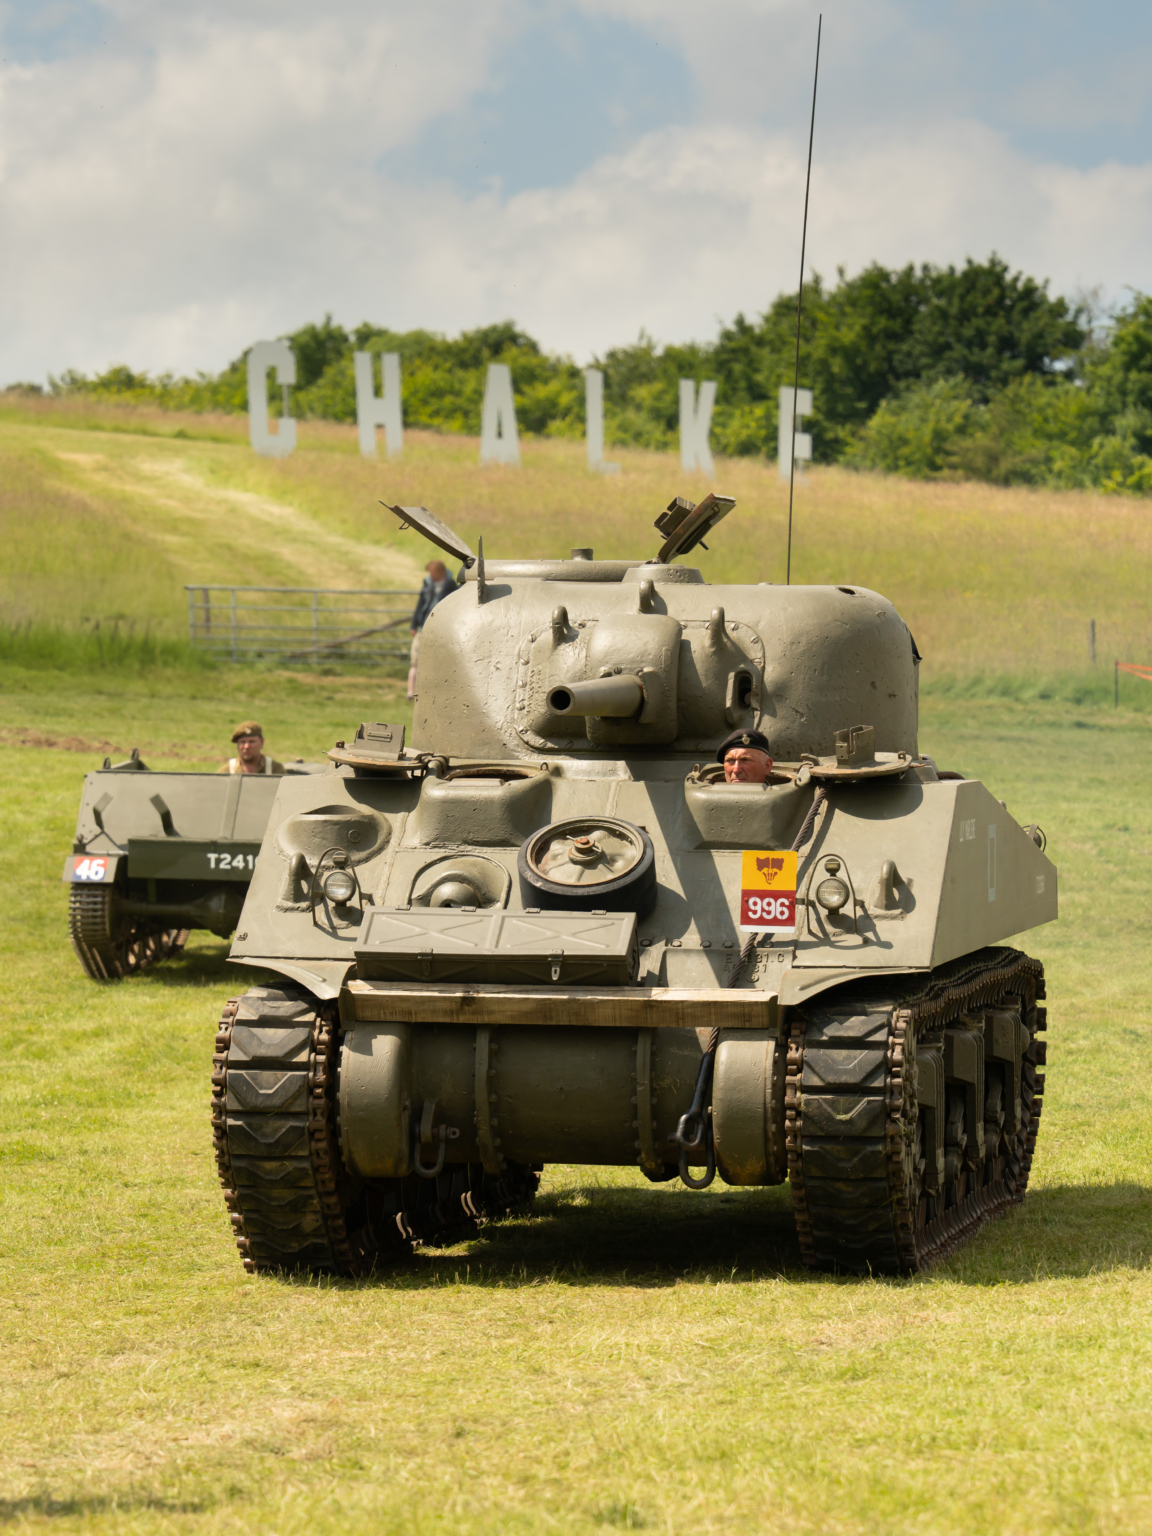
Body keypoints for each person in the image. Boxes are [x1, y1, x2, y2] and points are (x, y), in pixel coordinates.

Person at [407, 559, 458, 700]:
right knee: (415, 660)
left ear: (439, 572)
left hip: (440, 629)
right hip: (423, 627)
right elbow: (420, 604)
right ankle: (410, 692)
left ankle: (432, 692)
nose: (430, 575)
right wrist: (413, 624)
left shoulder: (451, 586)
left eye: (432, 572)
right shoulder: (427, 584)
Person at [218, 721, 285, 775]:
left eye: (251, 742)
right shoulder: (227, 771)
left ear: (261, 742)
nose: (247, 746)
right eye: (243, 742)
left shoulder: (274, 769)